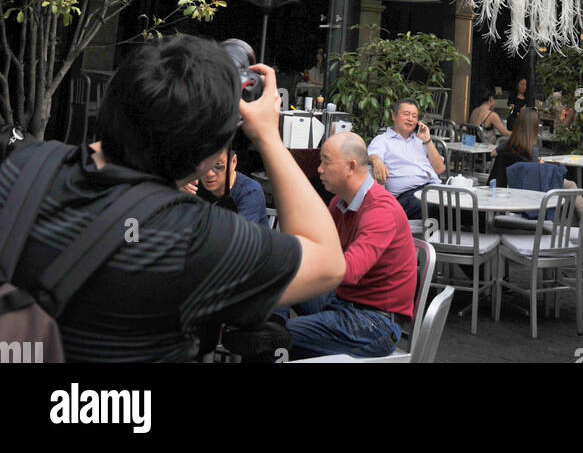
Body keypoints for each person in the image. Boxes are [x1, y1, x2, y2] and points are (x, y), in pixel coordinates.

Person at [0, 37, 345, 362]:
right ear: (207, 156)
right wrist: (268, 136)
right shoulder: (192, 238)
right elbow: (328, 263)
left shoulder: (19, 165)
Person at [279, 132, 417, 360]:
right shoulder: (339, 202)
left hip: (375, 323)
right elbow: (313, 245)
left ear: (351, 166)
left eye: (326, 161)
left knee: (272, 338)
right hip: (343, 302)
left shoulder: (380, 210)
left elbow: (348, 271)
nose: (319, 169)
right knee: (274, 300)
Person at [367, 99, 446, 220]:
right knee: (442, 210)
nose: (410, 119)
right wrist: (377, 161)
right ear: (394, 116)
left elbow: (440, 169)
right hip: (407, 197)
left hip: (433, 190)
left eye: (414, 116)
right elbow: (373, 154)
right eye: (406, 114)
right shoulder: (382, 140)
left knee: (473, 210)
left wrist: (427, 140)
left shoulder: (421, 141)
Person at [196, 147, 268, 225]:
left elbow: (240, 234)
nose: (209, 174)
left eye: (218, 165)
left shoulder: (250, 191)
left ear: (233, 162)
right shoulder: (195, 186)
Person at [489, 107, 541, 186]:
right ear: (535, 128)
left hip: (501, 188)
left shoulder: (508, 145)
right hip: (523, 191)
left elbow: (493, 154)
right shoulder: (532, 152)